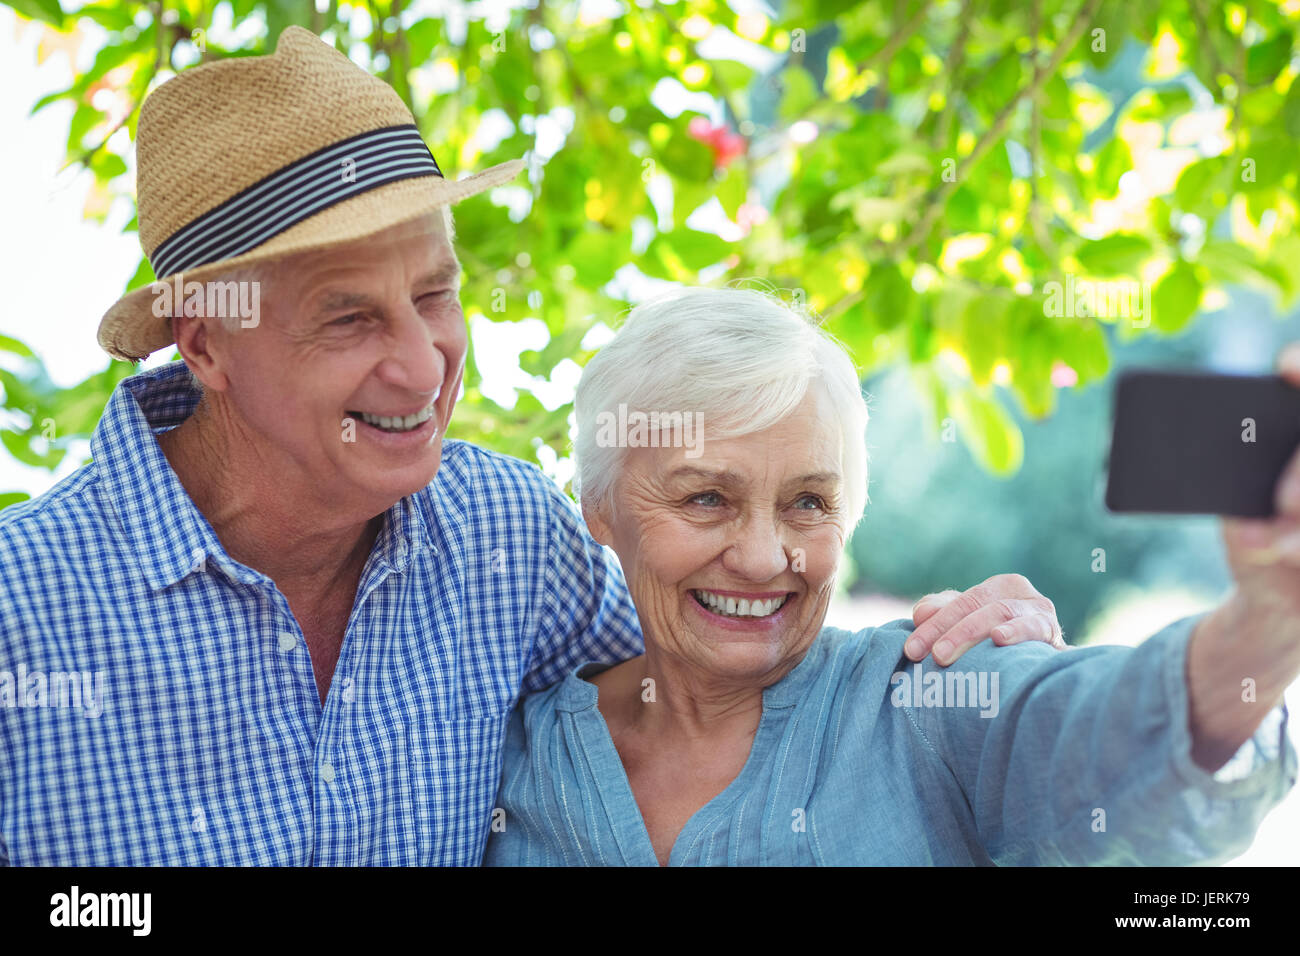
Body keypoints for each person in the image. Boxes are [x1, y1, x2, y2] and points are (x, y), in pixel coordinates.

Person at [0, 29, 1062, 866]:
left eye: (435, 294)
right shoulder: (21, 611)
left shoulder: (504, 531)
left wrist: (993, 658)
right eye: (350, 319)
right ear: (206, 343)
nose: (424, 367)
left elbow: (713, 687)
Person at [483, 286, 1299, 866]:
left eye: (807, 502)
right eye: (705, 498)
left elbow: (1103, 737)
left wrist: (1267, 618)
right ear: (598, 509)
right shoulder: (513, 751)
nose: (766, 558)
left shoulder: (928, 690)